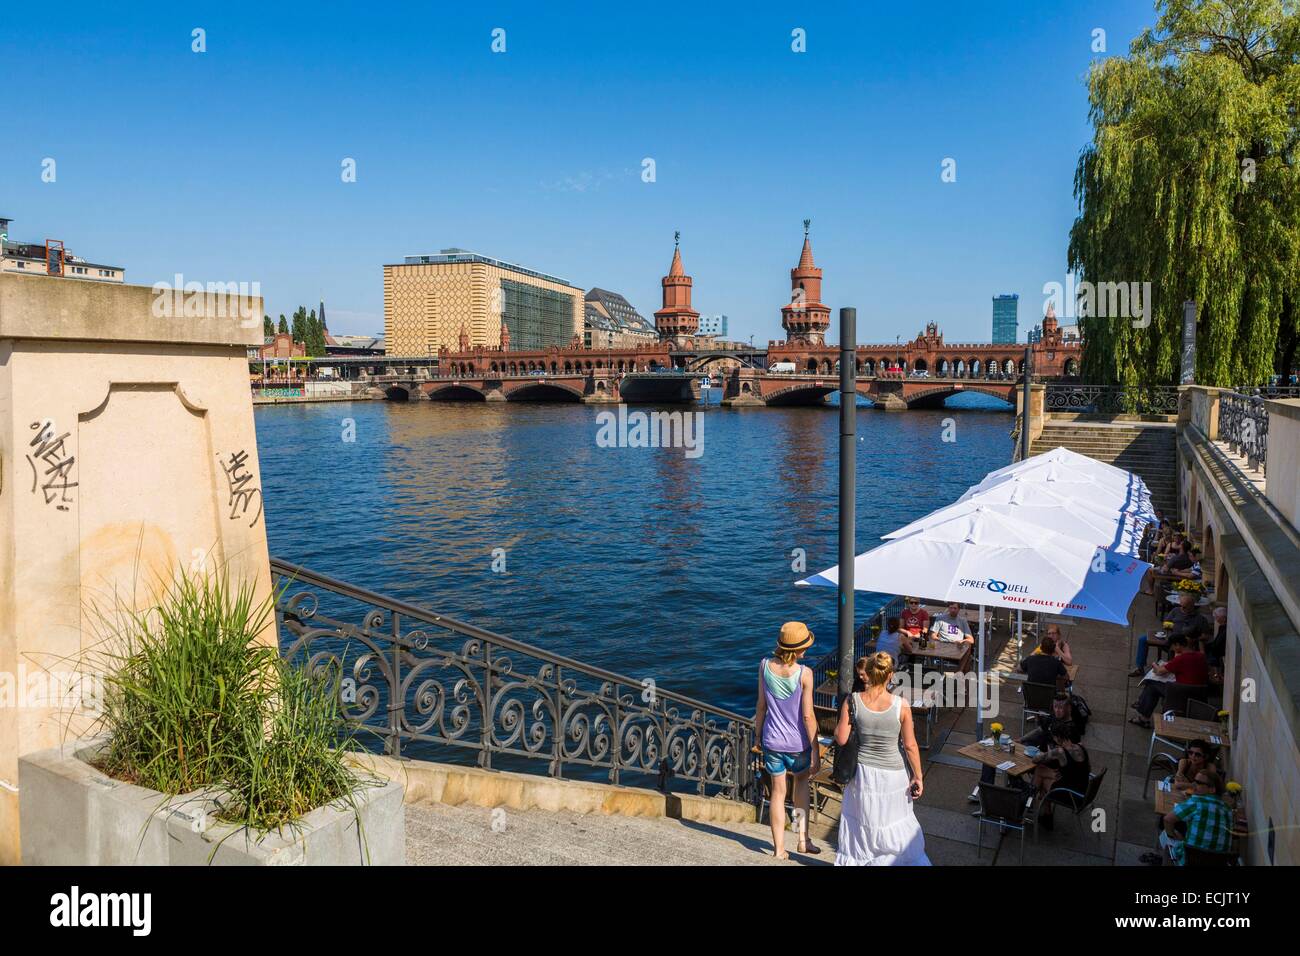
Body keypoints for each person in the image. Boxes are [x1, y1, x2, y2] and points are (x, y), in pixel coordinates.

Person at [833, 652, 930, 865]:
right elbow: (910, 745)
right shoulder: (901, 704)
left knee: (863, 823)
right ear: (890, 676)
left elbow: (841, 739)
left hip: (862, 773)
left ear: (867, 674)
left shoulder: (852, 701)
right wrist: (918, 776)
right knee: (893, 821)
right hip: (893, 773)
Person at [755, 621, 821, 859]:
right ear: (798, 649)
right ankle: (803, 841)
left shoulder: (764, 666)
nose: (807, 650)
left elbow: (761, 707)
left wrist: (757, 736)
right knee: (800, 787)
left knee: (777, 793)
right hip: (798, 744)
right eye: (805, 646)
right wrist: (815, 748)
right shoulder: (805, 674)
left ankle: (778, 849)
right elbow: (807, 715)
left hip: (771, 740)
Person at [1129, 634, 1209, 727]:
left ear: (1178, 645)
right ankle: (1140, 703)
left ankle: (1143, 717)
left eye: (1173, 647)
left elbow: (1159, 671)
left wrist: (1154, 664)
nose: (1172, 650)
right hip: (1200, 693)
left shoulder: (1181, 659)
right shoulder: (1201, 656)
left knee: (1151, 685)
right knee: (1156, 685)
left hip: (1182, 693)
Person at [1162, 769, 1235, 865]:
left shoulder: (1197, 802)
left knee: (1165, 834)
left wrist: (1173, 836)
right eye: (1194, 781)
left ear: (1212, 789)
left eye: (1198, 783)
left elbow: (1167, 820)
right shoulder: (1228, 810)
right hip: (1218, 862)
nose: (1193, 785)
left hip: (1191, 860)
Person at [1130, 592, 1210, 677]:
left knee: (1177, 652)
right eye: (1181, 605)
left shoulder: (1200, 619)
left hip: (1184, 644)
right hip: (1170, 637)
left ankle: (1170, 670)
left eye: (1185, 607)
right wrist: (1168, 626)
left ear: (1192, 606)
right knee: (1143, 639)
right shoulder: (1176, 611)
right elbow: (1166, 623)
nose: (1182, 608)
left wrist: (1194, 638)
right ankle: (1140, 668)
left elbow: (1206, 636)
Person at [1030, 719, 1090, 831]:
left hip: (1071, 795)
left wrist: (1044, 753)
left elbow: (1035, 760)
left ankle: (1029, 801)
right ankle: (1045, 816)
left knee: (1040, 771)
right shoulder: (1081, 746)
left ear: (1057, 737)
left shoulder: (1060, 752)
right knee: (1043, 773)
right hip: (1083, 791)